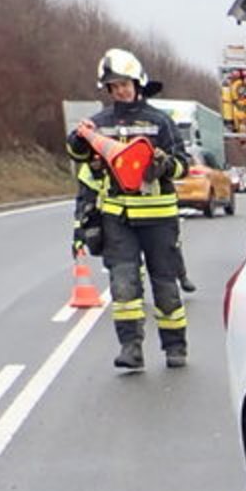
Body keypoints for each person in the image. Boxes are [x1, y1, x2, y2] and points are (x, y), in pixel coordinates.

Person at [66, 48, 190, 372]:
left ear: (137, 82)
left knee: (164, 281)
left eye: (124, 83)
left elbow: (183, 166)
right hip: (118, 218)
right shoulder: (100, 123)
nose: (120, 90)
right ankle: (130, 347)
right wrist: (80, 139)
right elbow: (79, 157)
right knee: (124, 284)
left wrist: (164, 166)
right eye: (114, 85)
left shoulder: (160, 122)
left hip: (159, 217)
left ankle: (175, 346)